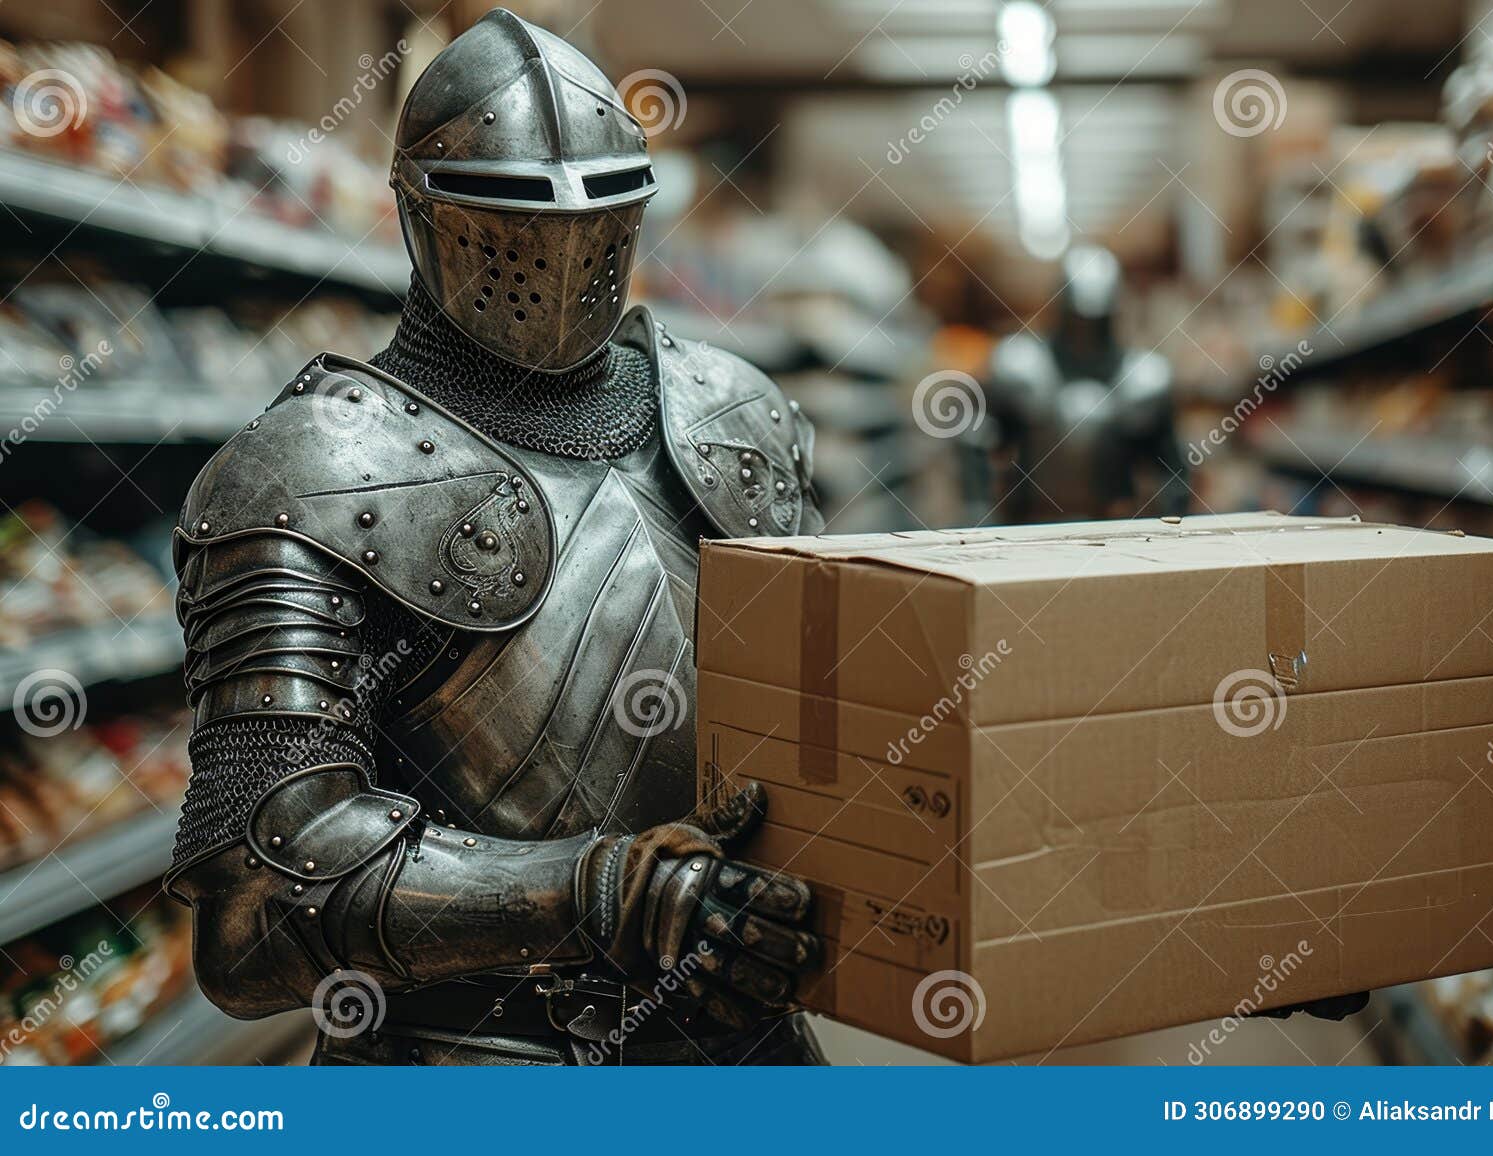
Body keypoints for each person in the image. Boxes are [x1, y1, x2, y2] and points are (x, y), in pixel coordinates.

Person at [163, 9, 825, 1066]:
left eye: (601, 202)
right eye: (511, 205)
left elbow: (827, 729)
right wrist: (602, 890)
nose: (558, 247)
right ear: (419, 212)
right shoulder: (313, 473)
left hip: (745, 1033)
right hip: (466, 1054)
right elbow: (257, 903)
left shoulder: (733, 412)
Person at [982, 244, 1187, 523]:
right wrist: (978, 511)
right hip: (1032, 525)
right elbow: (983, 444)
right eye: (1076, 320)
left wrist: (1172, 521)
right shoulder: (1021, 365)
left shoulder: (1145, 377)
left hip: (1117, 525)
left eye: (1095, 322)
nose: (1085, 332)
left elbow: (1172, 471)